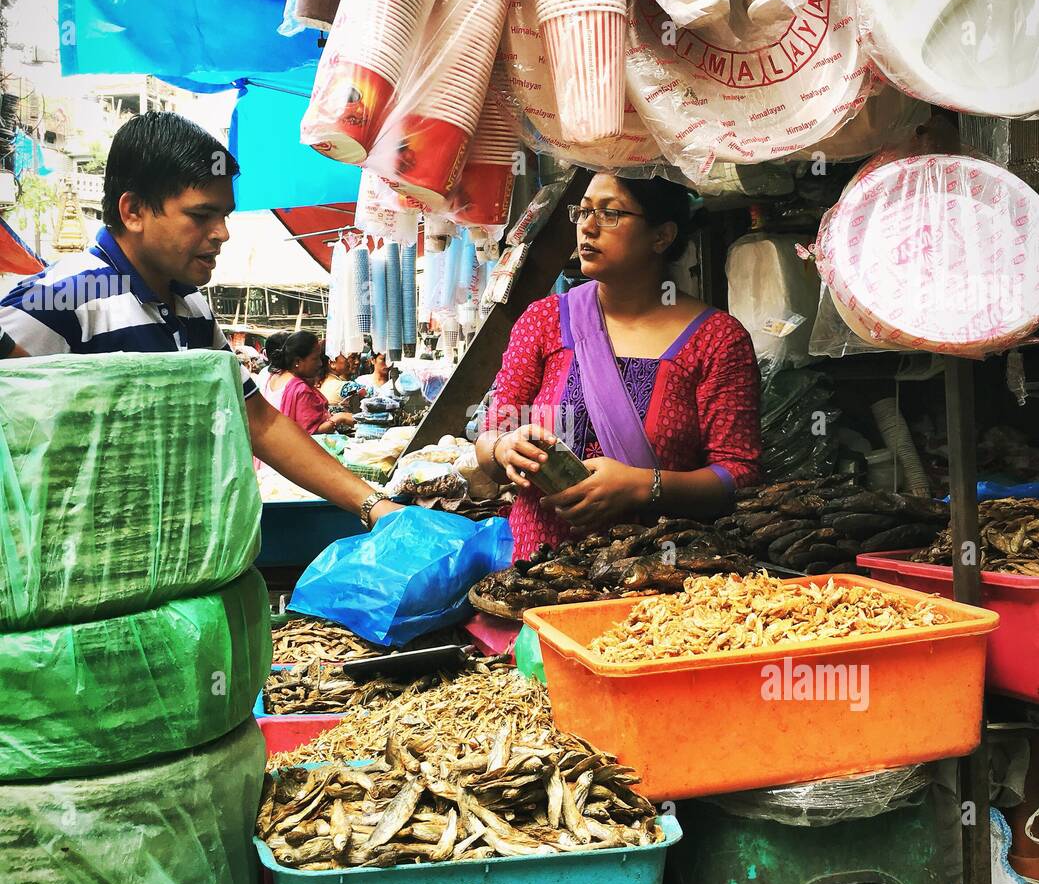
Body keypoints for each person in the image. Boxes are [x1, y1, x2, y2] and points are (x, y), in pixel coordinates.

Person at [0, 113, 397, 531]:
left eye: (225, 214)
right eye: (202, 215)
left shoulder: (190, 305)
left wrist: (373, 505)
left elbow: (258, 421)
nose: (223, 233)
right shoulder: (63, 300)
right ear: (133, 211)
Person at [475, 172, 762, 559]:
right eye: (584, 211)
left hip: (657, 578)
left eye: (610, 214)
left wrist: (642, 487)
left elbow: (738, 473)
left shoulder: (716, 339)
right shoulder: (543, 322)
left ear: (662, 236)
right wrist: (504, 449)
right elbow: (491, 435)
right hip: (538, 573)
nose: (588, 227)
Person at [263, 331, 354, 435]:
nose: (320, 363)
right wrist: (339, 418)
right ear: (297, 362)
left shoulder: (274, 377)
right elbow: (310, 433)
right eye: (315, 359)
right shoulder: (301, 389)